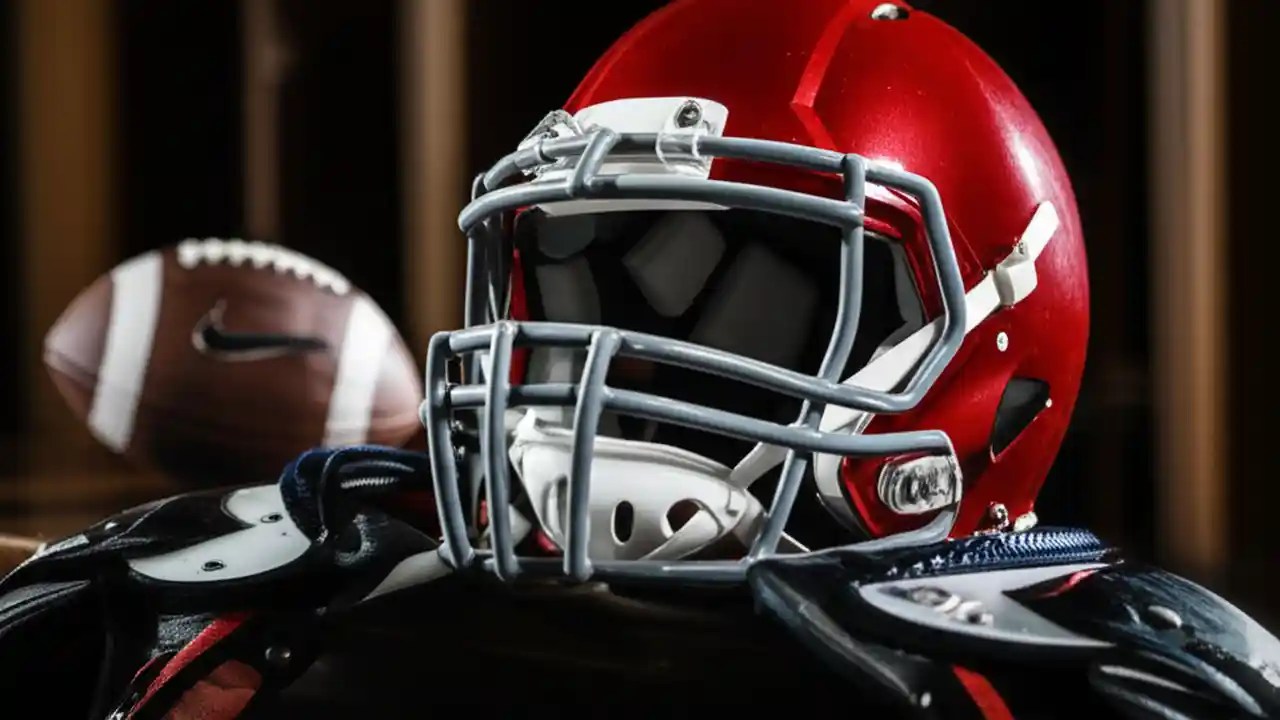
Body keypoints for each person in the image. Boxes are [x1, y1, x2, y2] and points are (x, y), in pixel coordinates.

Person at [2, 2, 1276, 717]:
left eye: (742, 300)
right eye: (583, 269)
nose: (604, 361)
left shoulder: (1124, 682)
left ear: (994, 342)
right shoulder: (302, 574)